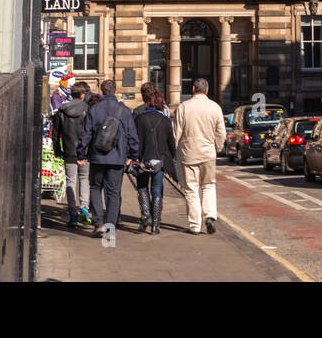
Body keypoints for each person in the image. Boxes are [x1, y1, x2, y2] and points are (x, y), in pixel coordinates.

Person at [78, 79, 140, 237]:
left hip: (98, 156)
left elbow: (86, 134)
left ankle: (98, 223)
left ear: (101, 91)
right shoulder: (124, 111)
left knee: (94, 188)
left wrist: (81, 154)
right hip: (117, 157)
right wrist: (132, 156)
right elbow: (133, 136)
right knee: (113, 192)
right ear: (115, 91)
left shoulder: (94, 109)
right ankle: (110, 230)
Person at [172, 77, 227, 235]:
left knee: (191, 189)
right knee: (208, 185)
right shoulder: (215, 107)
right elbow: (221, 132)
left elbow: (176, 132)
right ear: (207, 90)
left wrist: (174, 151)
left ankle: (195, 225)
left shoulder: (184, 107)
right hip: (208, 153)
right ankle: (209, 215)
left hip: (189, 154)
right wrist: (217, 147)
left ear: (193, 90)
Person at [134, 90, 175, 234]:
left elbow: (135, 141)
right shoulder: (165, 120)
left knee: (142, 188)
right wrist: (172, 157)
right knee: (157, 190)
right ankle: (156, 225)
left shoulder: (139, 119)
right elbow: (171, 142)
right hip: (160, 160)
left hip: (143, 160)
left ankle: (146, 215)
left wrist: (135, 157)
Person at [53, 80, 93, 229]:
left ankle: (73, 215)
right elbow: (91, 132)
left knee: (70, 181)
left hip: (69, 151)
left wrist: (58, 150)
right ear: (83, 95)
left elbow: (56, 134)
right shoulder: (89, 109)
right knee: (84, 179)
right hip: (85, 152)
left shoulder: (63, 110)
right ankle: (84, 208)